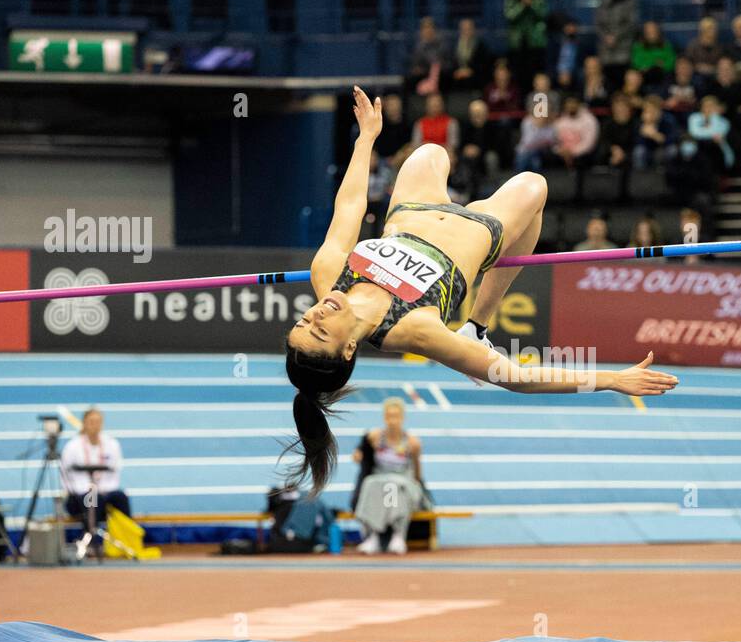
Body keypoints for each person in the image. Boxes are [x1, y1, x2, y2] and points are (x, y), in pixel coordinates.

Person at [283, 86, 678, 494]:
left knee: (430, 153)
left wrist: (366, 138)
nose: (316, 313)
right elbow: (514, 377)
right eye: (320, 329)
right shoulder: (411, 330)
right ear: (348, 349)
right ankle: (478, 323)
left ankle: (474, 319)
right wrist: (610, 379)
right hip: (479, 231)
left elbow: (348, 207)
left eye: (304, 320)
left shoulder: (327, 275)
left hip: (414, 209)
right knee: (534, 185)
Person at [350, 397, 429, 555]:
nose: (393, 420)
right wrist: (361, 453)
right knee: (370, 483)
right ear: (384, 417)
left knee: (392, 485)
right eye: (389, 416)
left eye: (396, 416)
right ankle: (372, 536)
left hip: (405, 481)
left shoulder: (413, 442)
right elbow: (358, 457)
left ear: (402, 418)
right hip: (380, 479)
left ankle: (398, 534)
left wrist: (414, 485)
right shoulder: (375, 437)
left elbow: (417, 473)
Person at [61, 408, 131, 539]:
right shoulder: (72, 447)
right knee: (93, 498)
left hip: (105, 492)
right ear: (84, 423)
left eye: (98, 421)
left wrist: (103, 490)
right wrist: (85, 490)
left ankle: (127, 539)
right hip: (78, 496)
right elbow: (65, 476)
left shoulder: (112, 444)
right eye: (91, 421)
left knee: (121, 497)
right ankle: (88, 539)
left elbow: (115, 473)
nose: (95, 425)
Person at [503, 0, 549, 85]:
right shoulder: (510, 1)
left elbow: (543, 14)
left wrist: (531, 3)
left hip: (536, 45)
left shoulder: (540, 0)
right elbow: (510, 16)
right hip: (517, 46)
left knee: (538, 77)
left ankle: (538, 101)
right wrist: (523, 4)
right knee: (518, 78)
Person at [594, 0, 638, 86]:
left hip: (624, 48)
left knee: (623, 80)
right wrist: (606, 37)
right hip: (606, 51)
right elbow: (598, 24)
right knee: (608, 82)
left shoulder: (628, 1)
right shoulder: (602, 2)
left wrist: (616, 36)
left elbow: (631, 23)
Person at [553, 95, 599, 169]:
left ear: (579, 104)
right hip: (562, 154)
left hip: (582, 154)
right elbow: (554, 141)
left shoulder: (589, 119)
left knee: (582, 159)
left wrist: (572, 152)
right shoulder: (560, 120)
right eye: (568, 103)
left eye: (573, 103)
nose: (571, 106)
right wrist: (560, 151)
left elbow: (589, 143)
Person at [405, 16, 448, 95]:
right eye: (424, 28)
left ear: (434, 29)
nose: (427, 30)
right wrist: (417, 69)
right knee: (408, 80)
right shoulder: (419, 46)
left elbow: (437, 61)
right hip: (424, 73)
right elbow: (415, 63)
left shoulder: (441, 43)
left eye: (429, 27)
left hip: (440, 73)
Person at [450, 18, 493, 92]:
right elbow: (451, 62)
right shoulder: (454, 45)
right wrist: (458, 71)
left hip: (475, 76)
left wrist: (470, 71)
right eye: (463, 29)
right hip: (458, 75)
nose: (466, 31)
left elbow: (484, 64)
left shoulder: (480, 45)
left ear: (473, 29)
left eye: (468, 29)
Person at [630, 20, 675, 87]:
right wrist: (654, 63)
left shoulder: (666, 46)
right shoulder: (638, 47)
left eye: (653, 30)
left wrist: (662, 66)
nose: (651, 33)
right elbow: (636, 63)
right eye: (648, 31)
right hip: (644, 76)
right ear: (644, 33)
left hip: (663, 75)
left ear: (658, 32)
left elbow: (671, 62)